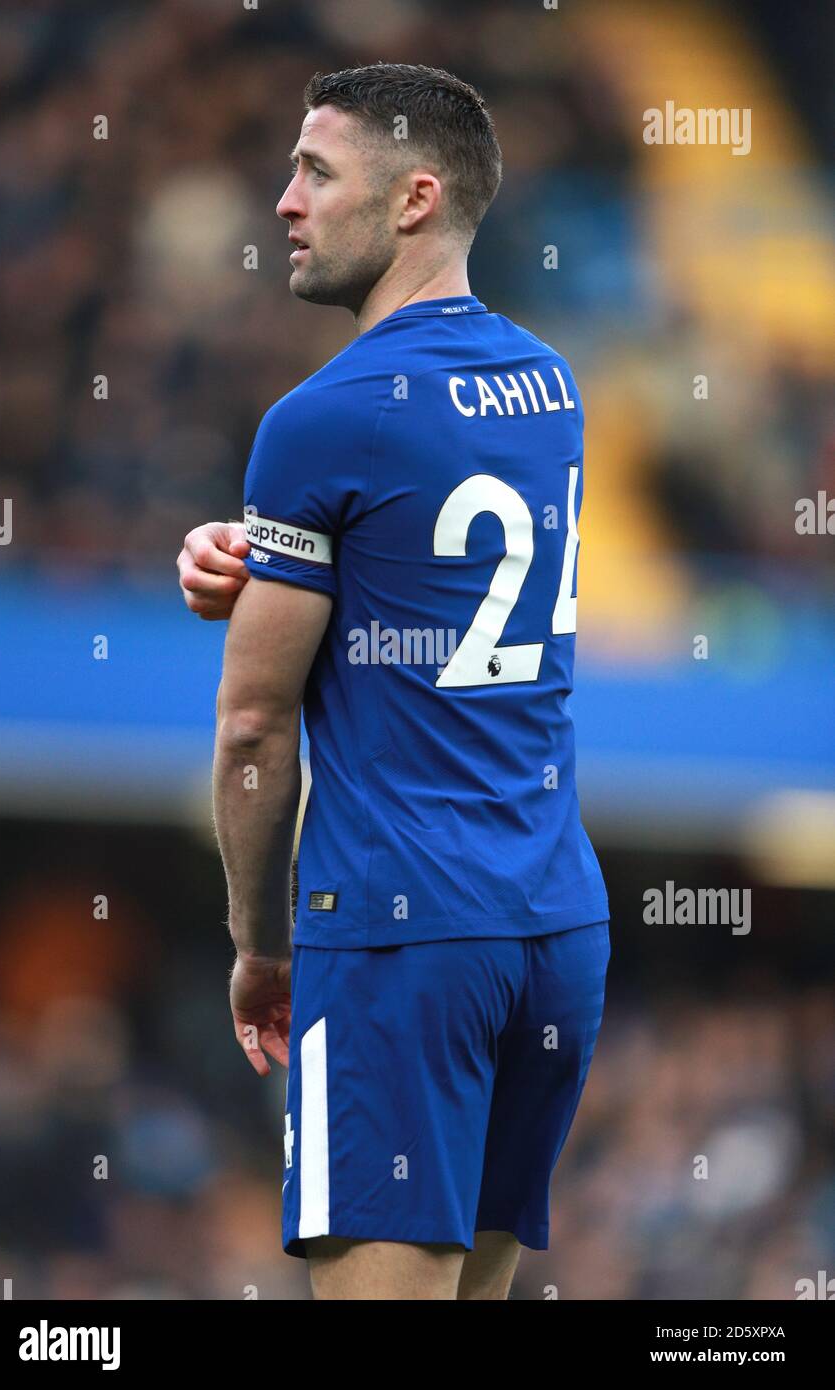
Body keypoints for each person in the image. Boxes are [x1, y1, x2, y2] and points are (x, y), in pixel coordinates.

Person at [177, 62, 610, 1301]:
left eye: (315, 172)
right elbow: (417, 545)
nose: (282, 202)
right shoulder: (549, 387)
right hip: (551, 926)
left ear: (414, 197)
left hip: (395, 934)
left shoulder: (322, 415)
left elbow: (255, 728)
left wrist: (259, 944)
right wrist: (256, 546)